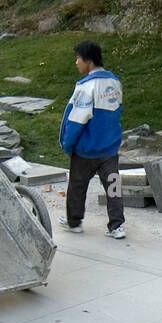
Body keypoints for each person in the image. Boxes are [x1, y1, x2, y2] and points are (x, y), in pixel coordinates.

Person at [58, 40, 125, 239]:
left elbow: (76, 120)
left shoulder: (86, 87)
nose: (76, 62)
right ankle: (117, 226)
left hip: (86, 151)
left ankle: (75, 222)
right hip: (110, 149)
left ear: (88, 61)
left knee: (77, 187)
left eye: (78, 58)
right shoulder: (115, 82)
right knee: (114, 186)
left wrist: (68, 145)